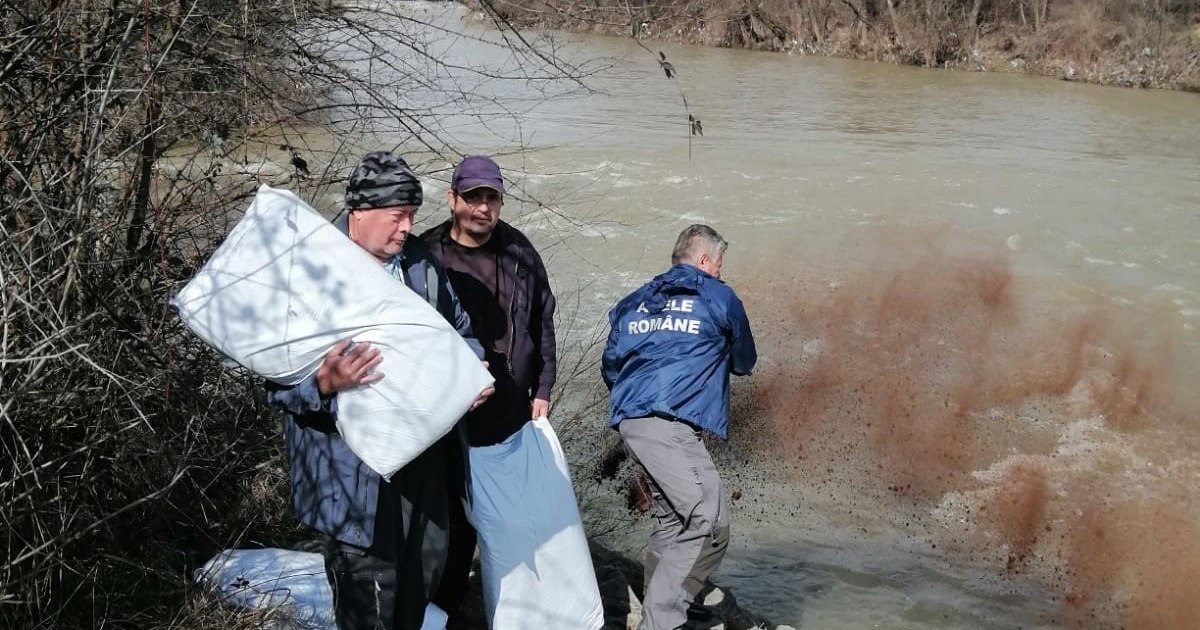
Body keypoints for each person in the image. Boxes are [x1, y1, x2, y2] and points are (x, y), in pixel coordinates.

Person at [265, 151, 491, 630]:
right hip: (348, 478)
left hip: (421, 468)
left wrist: (470, 371)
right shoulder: (310, 273)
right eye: (397, 216)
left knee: (420, 584)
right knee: (367, 604)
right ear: (358, 214)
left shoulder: (421, 268)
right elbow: (273, 381)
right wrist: (325, 383)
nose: (407, 228)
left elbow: (461, 331)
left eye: (411, 216)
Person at [419, 155, 559, 625]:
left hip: (510, 406)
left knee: (513, 512)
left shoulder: (519, 251)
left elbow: (543, 319)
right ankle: (445, 609)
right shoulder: (426, 255)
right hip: (446, 412)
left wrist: (543, 386)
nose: (483, 208)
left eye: (491, 198)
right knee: (452, 517)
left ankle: (519, 609)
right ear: (453, 198)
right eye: (473, 197)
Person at [601, 224, 757, 630]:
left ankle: (662, 607)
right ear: (705, 261)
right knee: (710, 522)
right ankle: (664, 618)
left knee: (673, 521)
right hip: (670, 424)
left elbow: (612, 368)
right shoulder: (718, 296)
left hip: (631, 421)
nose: (720, 273)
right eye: (719, 265)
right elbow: (745, 362)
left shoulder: (633, 302)